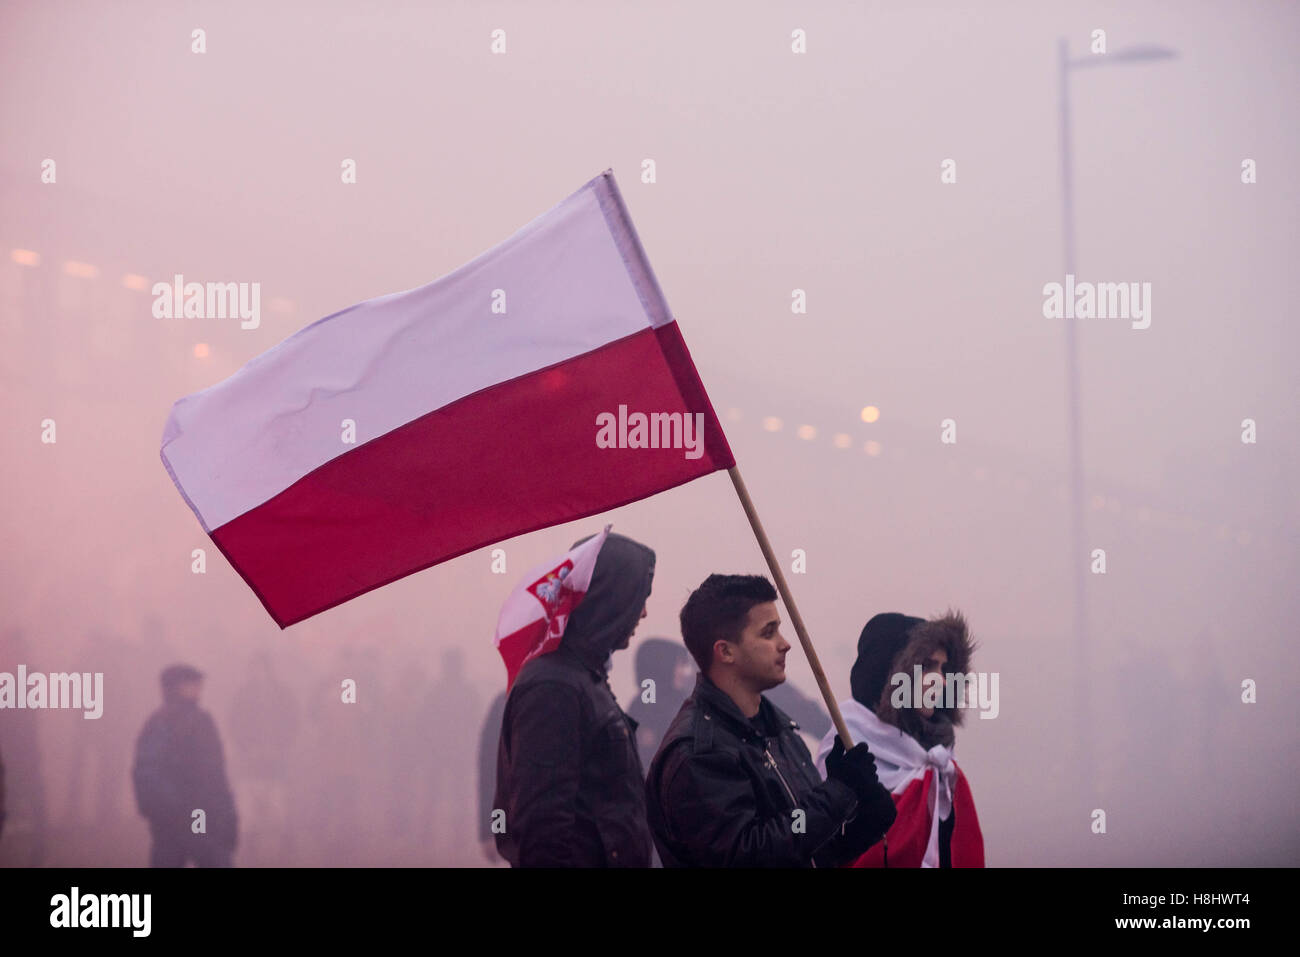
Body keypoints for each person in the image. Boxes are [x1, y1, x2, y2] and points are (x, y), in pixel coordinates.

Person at [645, 574, 897, 867]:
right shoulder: (699, 753)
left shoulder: (780, 732)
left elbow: (805, 849)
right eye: (768, 633)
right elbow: (749, 856)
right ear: (725, 651)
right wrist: (836, 794)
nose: (785, 644)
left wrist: (861, 819)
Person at [493, 531, 656, 867]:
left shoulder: (584, 677)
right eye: (638, 598)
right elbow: (543, 830)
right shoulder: (554, 687)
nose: (643, 614)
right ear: (610, 598)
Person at [815, 612, 985, 867]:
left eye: (944, 668)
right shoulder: (845, 756)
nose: (940, 680)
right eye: (926, 666)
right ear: (888, 674)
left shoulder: (941, 760)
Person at [132, 664, 239, 867]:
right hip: (176, 819)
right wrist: (172, 809)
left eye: (197, 682)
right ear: (174, 687)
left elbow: (217, 774)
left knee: (215, 857)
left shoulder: (203, 721)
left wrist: (228, 815)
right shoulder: (160, 724)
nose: (198, 687)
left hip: (204, 815)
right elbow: (147, 773)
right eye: (190, 682)